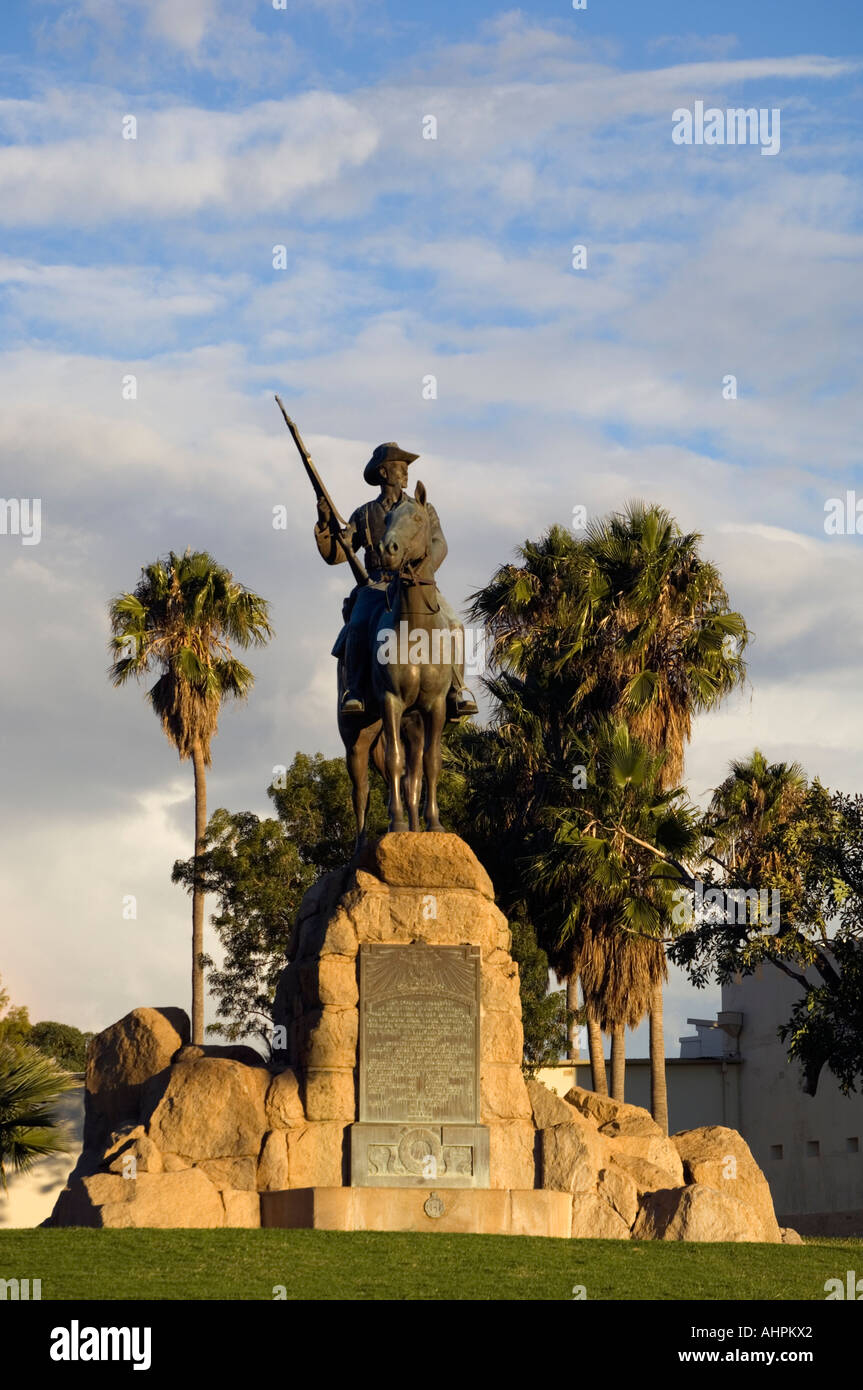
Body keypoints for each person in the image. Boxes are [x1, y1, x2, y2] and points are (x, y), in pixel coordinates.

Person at [314, 442, 478, 719]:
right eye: (399, 468)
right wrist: (324, 523)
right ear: (383, 473)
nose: (405, 474)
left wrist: (422, 572)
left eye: (406, 469)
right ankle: (354, 691)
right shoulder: (364, 514)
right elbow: (338, 555)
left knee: (455, 624)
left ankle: (457, 690)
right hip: (375, 585)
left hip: (418, 584)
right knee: (357, 624)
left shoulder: (422, 509)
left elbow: (439, 544)